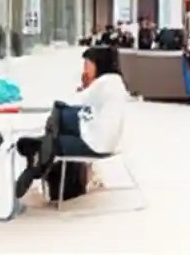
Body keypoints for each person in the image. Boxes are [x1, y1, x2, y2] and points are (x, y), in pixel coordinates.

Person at [14, 47, 128, 200]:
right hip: (97, 136)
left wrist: (85, 88)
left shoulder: (105, 82)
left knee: (60, 114)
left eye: (87, 65)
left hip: (96, 142)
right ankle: (39, 157)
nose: (85, 70)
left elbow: (75, 101)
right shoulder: (114, 82)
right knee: (57, 132)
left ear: (99, 65)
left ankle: (38, 161)